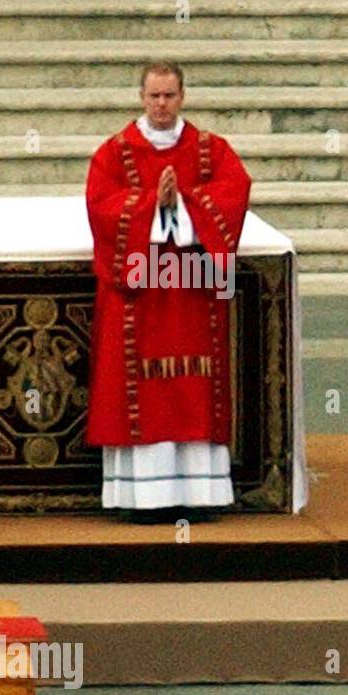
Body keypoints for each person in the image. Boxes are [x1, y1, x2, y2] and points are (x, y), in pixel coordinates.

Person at [85, 60, 252, 520]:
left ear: (183, 96)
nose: (162, 105)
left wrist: (185, 202)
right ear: (142, 96)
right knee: (142, 385)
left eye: (170, 96)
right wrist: (149, 208)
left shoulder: (208, 149)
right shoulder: (114, 153)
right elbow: (100, 206)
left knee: (192, 385)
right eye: (154, 96)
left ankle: (200, 493)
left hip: (191, 287)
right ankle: (143, 497)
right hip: (139, 289)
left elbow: (235, 189)